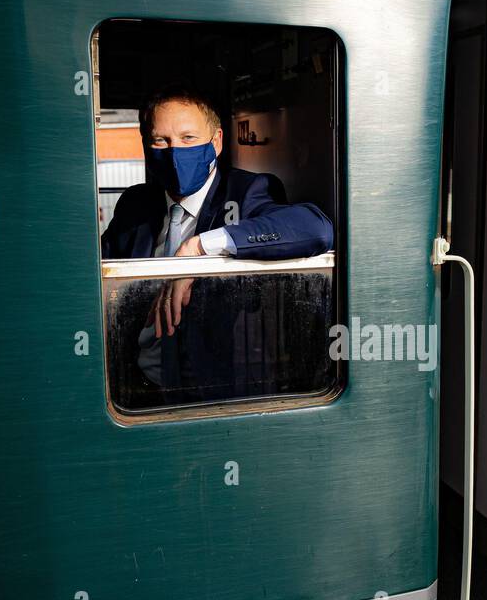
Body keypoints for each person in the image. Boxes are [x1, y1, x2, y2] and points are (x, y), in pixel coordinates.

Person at [101, 85, 333, 402]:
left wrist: (197, 250)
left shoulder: (247, 192)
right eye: (161, 141)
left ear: (217, 142)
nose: (174, 151)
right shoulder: (135, 205)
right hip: (136, 391)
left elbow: (315, 229)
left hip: (216, 395)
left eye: (188, 139)